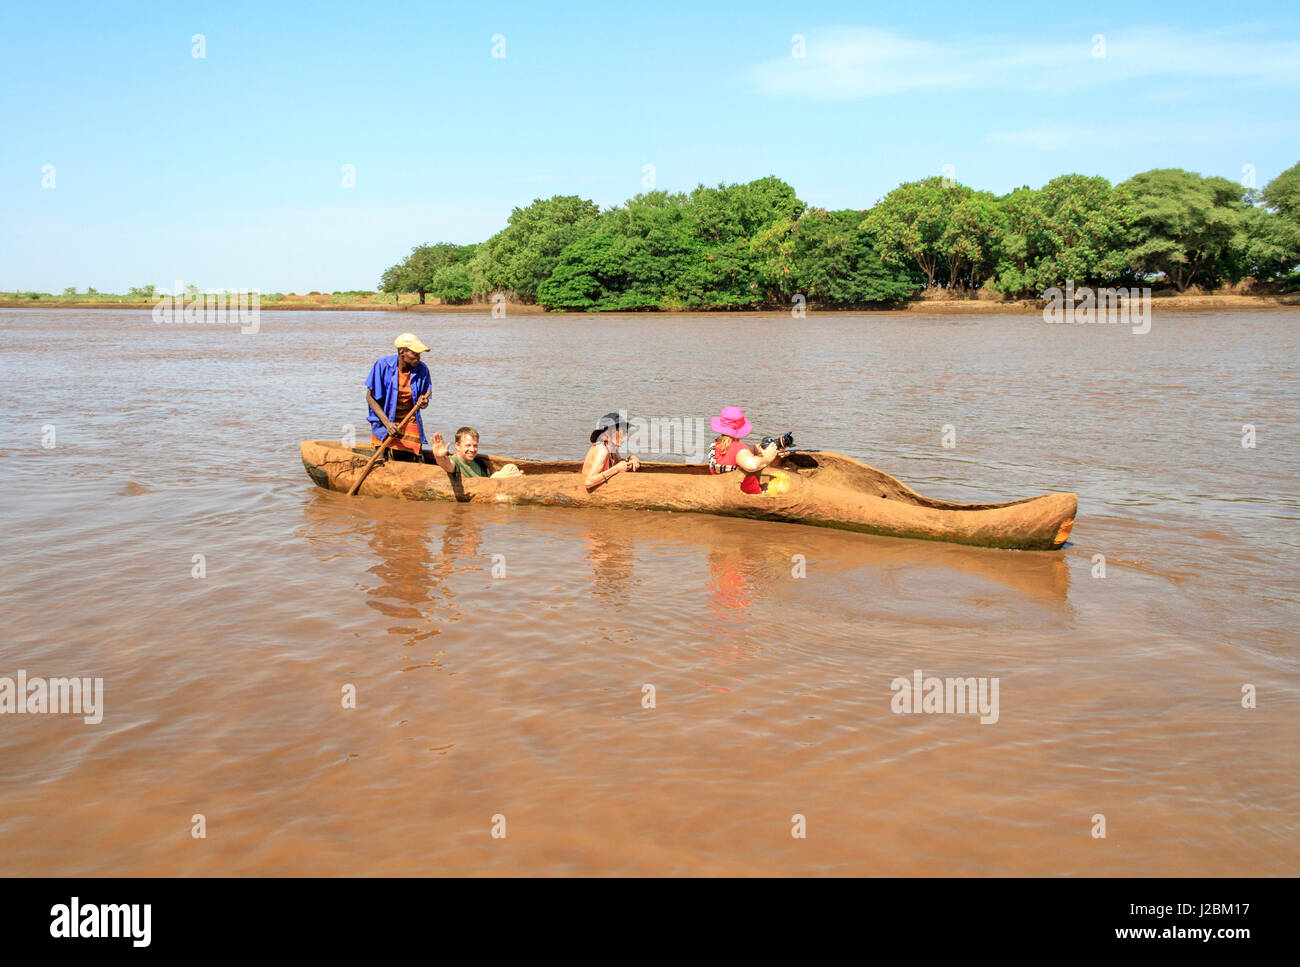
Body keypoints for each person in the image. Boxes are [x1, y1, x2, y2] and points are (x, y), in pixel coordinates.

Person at [365, 333, 433, 462]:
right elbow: (370, 398)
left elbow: (425, 399)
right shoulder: (382, 365)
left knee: (411, 454)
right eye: (415, 354)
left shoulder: (422, 369)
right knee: (380, 457)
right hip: (384, 416)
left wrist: (423, 402)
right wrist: (387, 424)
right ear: (402, 353)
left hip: (408, 416)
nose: (418, 358)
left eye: (419, 354)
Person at [707, 405, 780, 495]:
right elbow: (753, 465)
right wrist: (767, 458)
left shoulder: (716, 445)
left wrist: (761, 448)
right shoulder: (739, 449)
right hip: (750, 495)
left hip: (724, 492)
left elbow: (745, 450)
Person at [429, 426, 522, 478]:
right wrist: (439, 457)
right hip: (487, 487)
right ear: (457, 446)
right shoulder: (454, 461)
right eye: (468, 445)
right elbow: (447, 465)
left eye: (475, 445)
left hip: (486, 484)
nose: (472, 450)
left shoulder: (477, 462)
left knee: (511, 467)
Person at [583, 412, 640, 491]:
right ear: (605, 435)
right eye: (621, 433)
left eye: (625, 433)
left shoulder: (612, 450)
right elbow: (588, 482)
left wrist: (631, 458)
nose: (625, 438)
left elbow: (620, 463)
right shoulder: (602, 451)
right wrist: (616, 469)